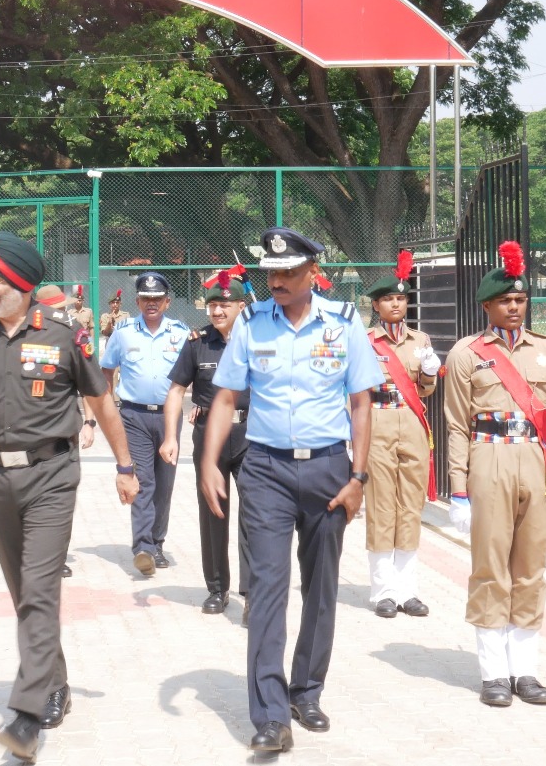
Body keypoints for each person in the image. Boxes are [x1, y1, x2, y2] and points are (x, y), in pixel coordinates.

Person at [0, 231, 139, 763]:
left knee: (40, 591)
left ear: (22, 284)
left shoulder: (65, 337)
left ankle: (25, 717)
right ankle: (55, 685)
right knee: (24, 592)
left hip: (53, 474)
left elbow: (103, 402)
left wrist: (124, 465)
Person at [201, 226, 382, 754]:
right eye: (272, 273)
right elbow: (225, 397)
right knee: (266, 589)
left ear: (312, 273)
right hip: (265, 470)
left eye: (288, 272)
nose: (277, 281)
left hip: (328, 470)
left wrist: (358, 478)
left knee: (321, 587)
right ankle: (270, 716)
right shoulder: (251, 323)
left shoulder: (344, 322)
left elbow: (361, 403)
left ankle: (306, 690)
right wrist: (209, 463)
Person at [444, 241, 546, 708]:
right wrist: (458, 489)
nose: (514, 307)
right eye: (505, 300)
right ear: (486, 306)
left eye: (520, 299)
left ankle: (524, 670)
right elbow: (455, 424)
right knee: (491, 566)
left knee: (531, 566)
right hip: (489, 457)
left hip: (536, 460)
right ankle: (493, 673)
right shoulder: (467, 353)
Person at [161, 268, 250, 616]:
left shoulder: (258, 342)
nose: (217, 311)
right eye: (212, 305)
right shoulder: (197, 343)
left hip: (251, 435)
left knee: (255, 514)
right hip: (209, 436)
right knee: (213, 510)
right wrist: (171, 436)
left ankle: (254, 593)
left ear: (241, 306)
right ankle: (217, 587)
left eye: (224, 305)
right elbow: (176, 390)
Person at [363, 251, 441, 619]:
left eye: (401, 298)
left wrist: (429, 373)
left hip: (411, 422)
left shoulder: (420, 339)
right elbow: (353, 390)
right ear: (376, 305)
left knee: (411, 505)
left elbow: (425, 390)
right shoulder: (365, 340)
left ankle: (407, 590)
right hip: (377, 421)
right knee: (382, 505)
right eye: (389, 299)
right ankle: (383, 591)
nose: (396, 304)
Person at [100, 271, 189, 577]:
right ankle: (143, 547)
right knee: (142, 480)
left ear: (167, 302)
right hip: (133, 416)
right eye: (146, 298)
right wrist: (109, 406)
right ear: (137, 301)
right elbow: (107, 369)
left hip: (169, 417)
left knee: (164, 483)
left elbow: (194, 372)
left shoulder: (181, 333)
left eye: (157, 298)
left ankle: (158, 542)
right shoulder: (123, 332)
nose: (151, 303)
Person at [34, 283, 102, 579]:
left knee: (61, 497)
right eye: (60, 310)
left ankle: (57, 556)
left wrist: (89, 423)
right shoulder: (21, 338)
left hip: (63, 432)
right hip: (28, 433)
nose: (65, 315)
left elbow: (88, 386)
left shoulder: (72, 337)